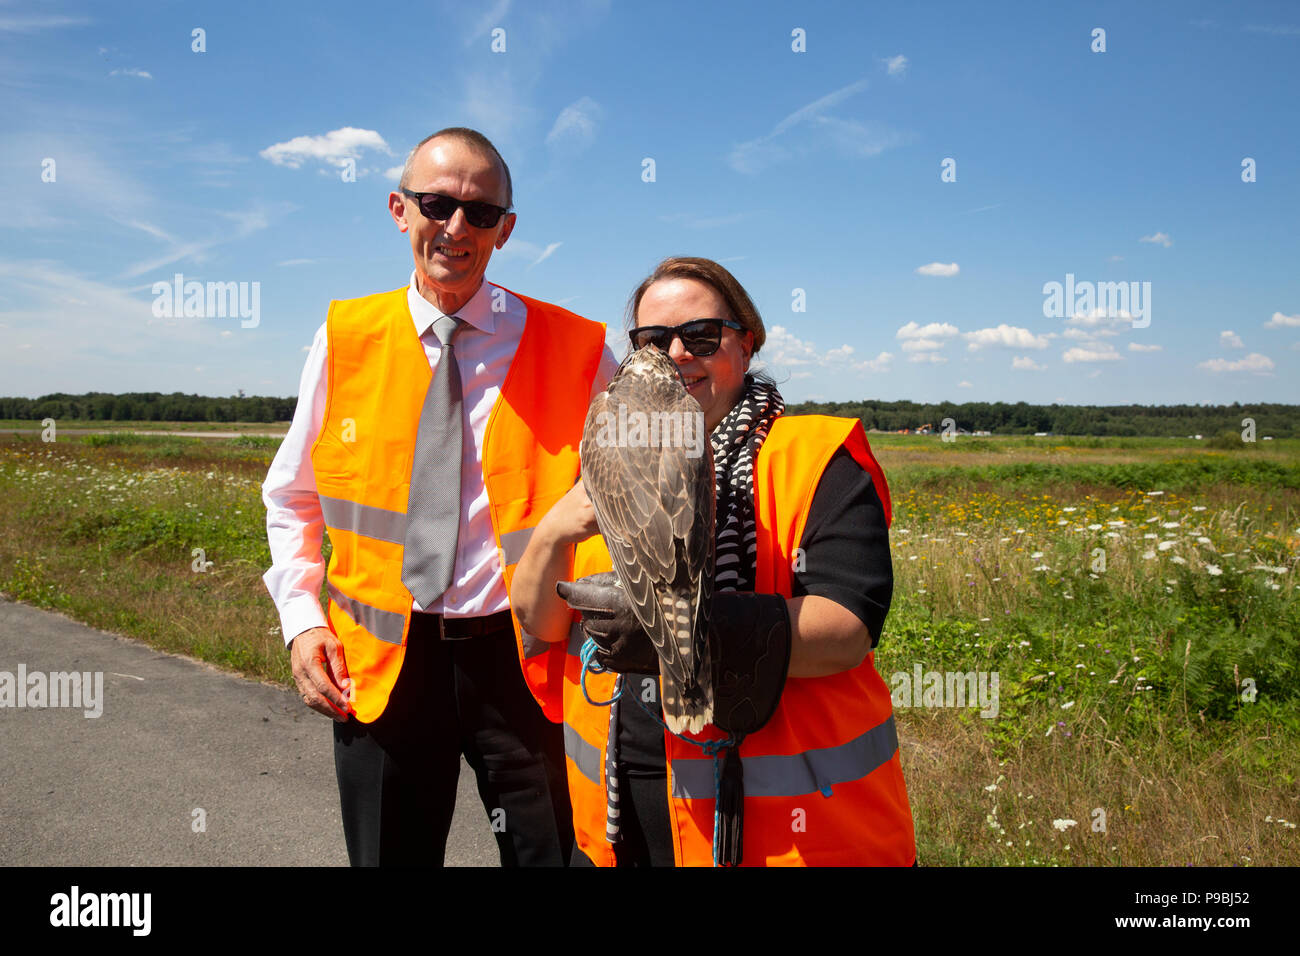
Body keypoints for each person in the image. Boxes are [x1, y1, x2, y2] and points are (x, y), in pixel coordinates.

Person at [261, 127, 618, 866]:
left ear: (505, 231)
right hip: (385, 662)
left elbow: (636, 495)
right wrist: (300, 621)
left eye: (480, 213)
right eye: (437, 204)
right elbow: (292, 494)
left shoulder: (579, 348)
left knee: (557, 854)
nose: (456, 228)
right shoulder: (343, 337)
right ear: (400, 209)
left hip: (529, 663)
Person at [510, 256, 917, 866]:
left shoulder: (813, 460)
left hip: (781, 835)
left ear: (746, 345)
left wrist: (683, 635)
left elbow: (846, 632)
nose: (676, 354)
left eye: (701, 337)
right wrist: (550, 534)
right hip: (624, 819)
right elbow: (540, 625)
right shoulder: (611, 448)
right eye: (653, 341)